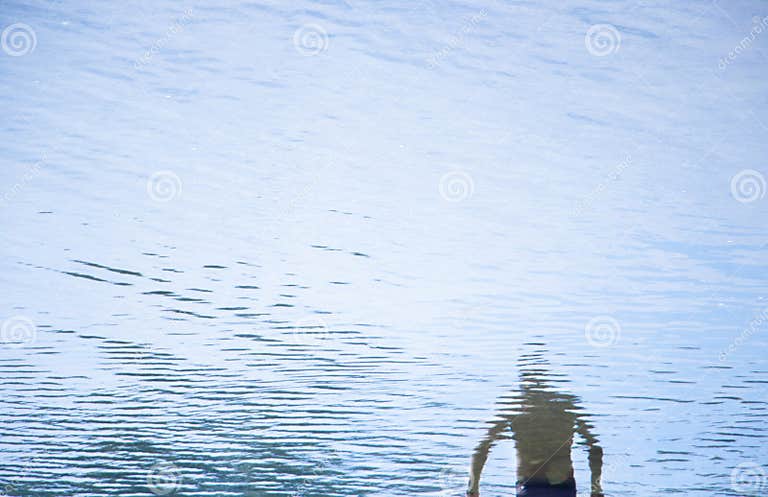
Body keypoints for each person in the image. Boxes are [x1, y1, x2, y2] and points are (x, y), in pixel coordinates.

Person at [466, 350, 603, 496]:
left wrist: (472, 489)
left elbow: (482, 448)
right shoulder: (567, 406)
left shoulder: (513, 410)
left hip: (530, 487)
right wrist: (596, 489)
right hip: (563, 487)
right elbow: (594, 448)